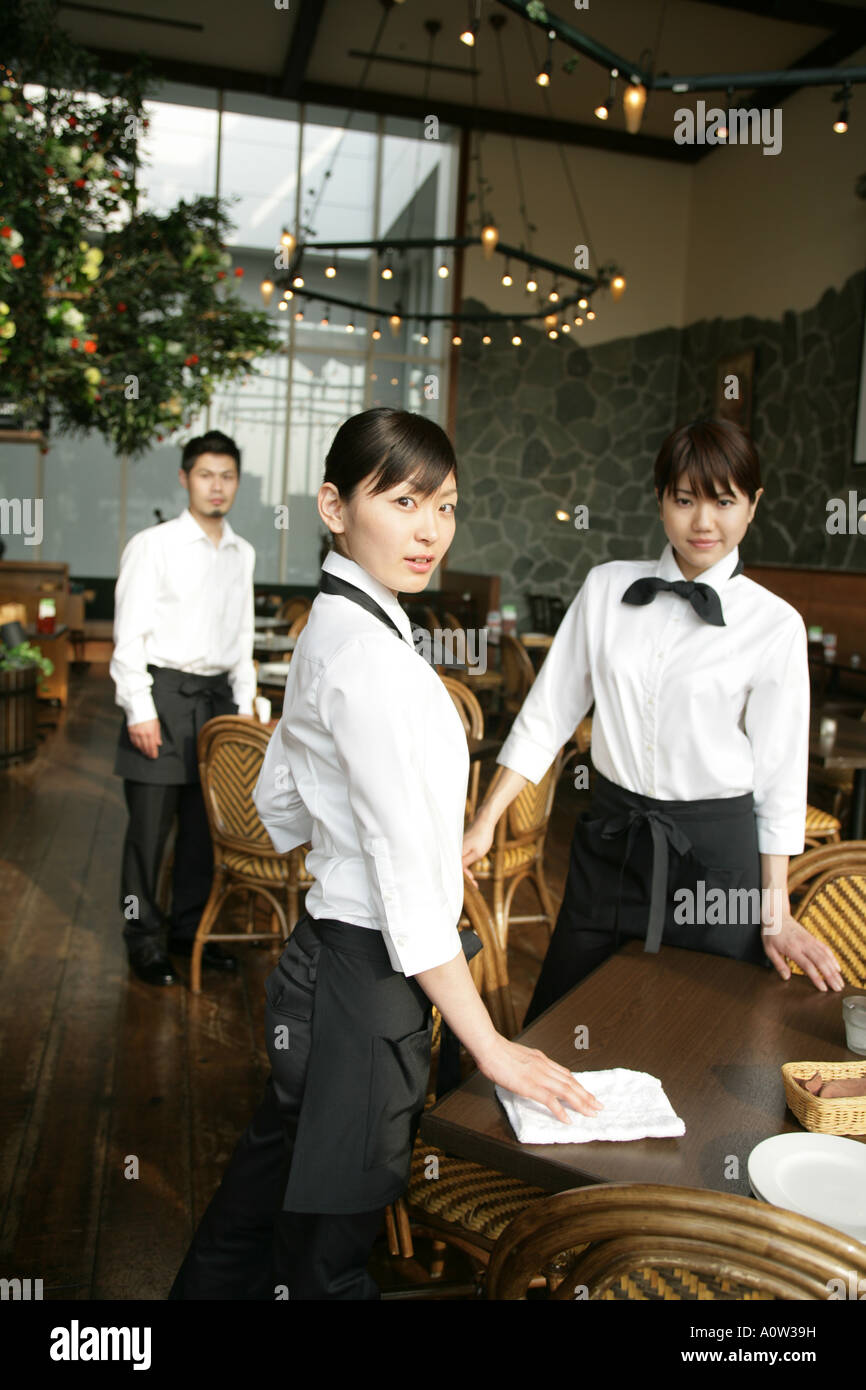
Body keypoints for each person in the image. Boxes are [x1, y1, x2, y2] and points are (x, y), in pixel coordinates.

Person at [168, 407, 601, 1301]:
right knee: (331, 1256)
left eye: (445, 506)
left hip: (323, 964)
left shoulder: (339, 623)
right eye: (403, 500)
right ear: (333, 505)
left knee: (264, 1198)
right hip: (366, 980)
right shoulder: (371, 654)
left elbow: (277, 799)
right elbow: (406, 897)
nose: (430, 530)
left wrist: (371, 831)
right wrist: (491, 1046)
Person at [464, 419, 843, 1025]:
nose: (702, 522)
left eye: (724, 502)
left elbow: (778, 783)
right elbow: (547, 714)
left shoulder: (775, 625)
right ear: (661, 499)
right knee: (564, 1023)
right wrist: (486, 820)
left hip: (717, 865)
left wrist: (775, 911)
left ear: (753, 506)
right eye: (685, 499)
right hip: (613, 842)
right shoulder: (605, 588)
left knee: (700, 1038)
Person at [111, 430, 256, 987]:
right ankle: (142, 938)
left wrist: (243, 708)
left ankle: (187, 931)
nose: (217, 487)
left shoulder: (241, 554)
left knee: (204, 831)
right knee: (147, 834)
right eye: (205, 475)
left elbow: (241, 640)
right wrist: (139, 709)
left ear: (236, 483)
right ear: (184, 478)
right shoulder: (154, 545)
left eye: (227, 477)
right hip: (161, 696)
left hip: (218, 700)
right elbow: (129, 639)